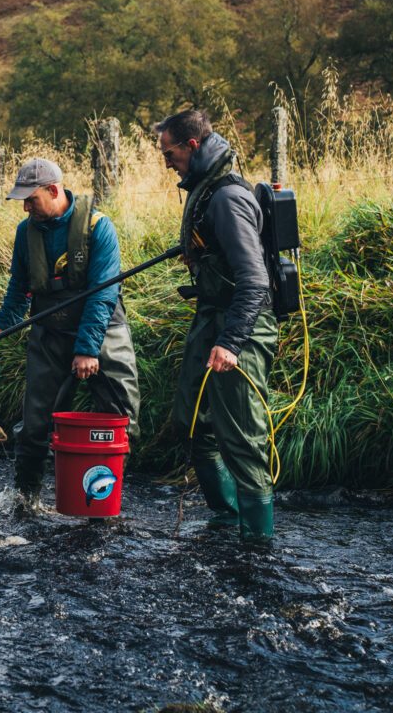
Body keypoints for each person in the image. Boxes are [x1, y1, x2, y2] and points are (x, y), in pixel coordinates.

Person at [0, 158, 140, 502]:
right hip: (50, 333)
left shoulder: (100, 228)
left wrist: (87, 349)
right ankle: (25, 503)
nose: (25, 207)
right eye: (22, 200)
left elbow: (103, 295)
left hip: (103, 330)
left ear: (53, 191)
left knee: (124, 419)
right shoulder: (26, 232)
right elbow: (19, 288)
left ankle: (106, 502)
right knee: (35, 426)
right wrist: (0, 325)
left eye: (31, 199)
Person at [155, 109, 278, 541]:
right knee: (190, 421)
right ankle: (226, 519)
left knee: (243, 437)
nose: (165, 161)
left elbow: (255, 280)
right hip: (210, 315)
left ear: (191, 145)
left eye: (168, 152)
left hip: (241, 326)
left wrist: (230, 343)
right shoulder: (204, 189)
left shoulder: (227, 197)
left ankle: (258, 542)